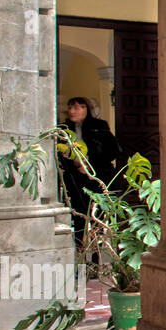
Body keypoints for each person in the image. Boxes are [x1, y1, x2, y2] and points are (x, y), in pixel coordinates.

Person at [58, 97, 122, 254]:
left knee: (97, 217)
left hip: (95, 178)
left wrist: (89, 161)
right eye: (71, 107)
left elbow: (112, 151)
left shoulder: (99, 127)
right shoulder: (63, 129)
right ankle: (79, 256)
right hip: (74, 180)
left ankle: (96, 257)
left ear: (87, 109)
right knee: (78, 217)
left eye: (78, 107)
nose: (73, 111)